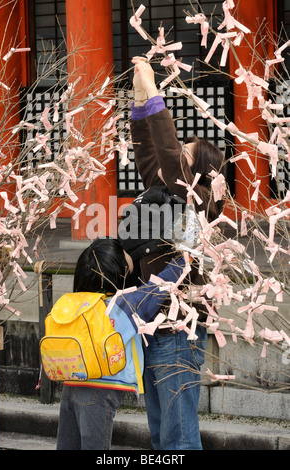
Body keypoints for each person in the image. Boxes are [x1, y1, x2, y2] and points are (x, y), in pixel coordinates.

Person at [122, 56, 226, 450]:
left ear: (200, 171)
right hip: (151, 327)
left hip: (179, 332)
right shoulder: (165, 188)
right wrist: (138, 96)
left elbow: (166, 154)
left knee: (179, 438)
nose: (178, 152)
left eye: (187, 152)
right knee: (159, 431)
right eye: (181, 148)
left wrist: (154, 89)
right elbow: (149, 152)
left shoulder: (198, 199)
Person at [56, 236, 188, 450]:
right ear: (119, 269)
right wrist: (185, 256)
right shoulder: (127, 304)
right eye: (122, 251)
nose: (128, 251)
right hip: (100, 389)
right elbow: (163, 284)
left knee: (68, 445)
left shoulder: (77, 302)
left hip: (71, 384)